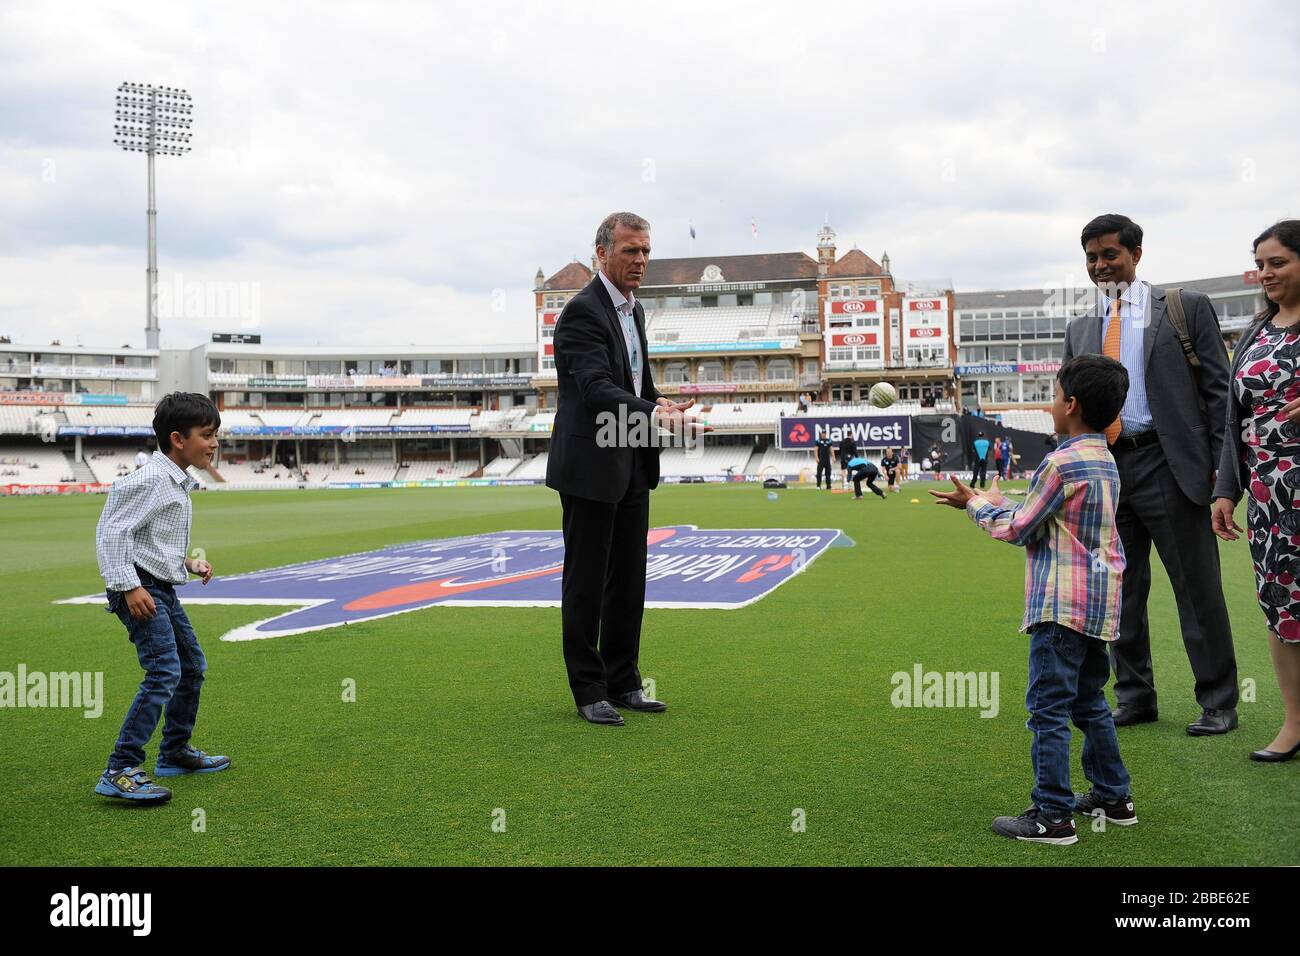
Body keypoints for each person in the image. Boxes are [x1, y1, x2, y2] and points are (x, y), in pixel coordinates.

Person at [932, 355, 1134, 844]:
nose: (1049, 405)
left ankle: (1052, 816)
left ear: (1071, 403)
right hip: (1099, 602)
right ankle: (1113, 796)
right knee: (1090, 702)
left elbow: (1021, 529)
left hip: (1059, 605)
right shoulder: (1104, 458)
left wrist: (977, 505)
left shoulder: (1059, 461)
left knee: (1048, 709)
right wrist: (1000, 502)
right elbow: (1048, 514)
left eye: (1054, 395)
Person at [1063, 214, 1238, 735]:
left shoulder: (1185, 309)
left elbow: (1219, 396)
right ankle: (1135, 696)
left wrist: (1219, 472)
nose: (1100, 266)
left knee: (1196, 587)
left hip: (1171, 463)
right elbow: (1072, 409)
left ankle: (1219, 701)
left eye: (1110, 254)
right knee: (1118, 591)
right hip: (1108, 470)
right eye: (1092, 257)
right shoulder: (1080, 328)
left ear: (1136, 254)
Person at [546, 212, 705, 726]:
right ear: (603, 253)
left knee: (629, 578)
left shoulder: (634, 313)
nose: (640, 261)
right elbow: (594, 389)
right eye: (630, 251)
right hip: (591, 464)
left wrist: (665, 405)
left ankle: (625, 681)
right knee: (587, 580)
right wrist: (652, 411)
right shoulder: (580, 313)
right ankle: (588, 689)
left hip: (633, 455)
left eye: (645, 252)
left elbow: (637, 387)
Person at [93, 393, 229, 803]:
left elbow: (147, 539)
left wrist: (187, 563)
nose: (214, 443)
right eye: (207, 435)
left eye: (215, 434)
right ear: (177, 438)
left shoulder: (175, 480)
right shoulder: (149, 479)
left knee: (191, 667)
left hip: (159, 585)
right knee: (164, 671)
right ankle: (120, 769)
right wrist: (128, 585)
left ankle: (173, 752)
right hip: (139, 588)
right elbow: (113, 533)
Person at [1212, 220, 1300, 761]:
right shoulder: (1257, 330)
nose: (1266, 273)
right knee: (1282, 605)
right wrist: (1227, 489)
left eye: (1279, 262)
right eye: (1261, 263)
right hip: (1271, 493)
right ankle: (1294, 725)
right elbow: (1234, 419)